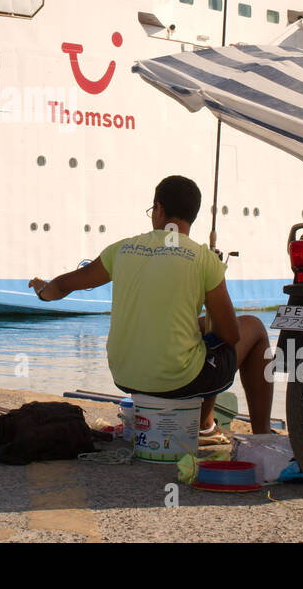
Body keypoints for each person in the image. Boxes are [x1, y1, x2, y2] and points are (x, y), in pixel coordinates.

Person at [28, 175, 273, 444]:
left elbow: (63, 285)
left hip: (125, 377)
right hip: (181, 381)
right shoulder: (204, 258)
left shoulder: (121, 250)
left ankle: (204, 425)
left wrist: (42, 290)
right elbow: (232, 334)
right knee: (255, 329)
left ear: (159, 209)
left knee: (201, 332)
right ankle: (260, 437)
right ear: (192, 216)